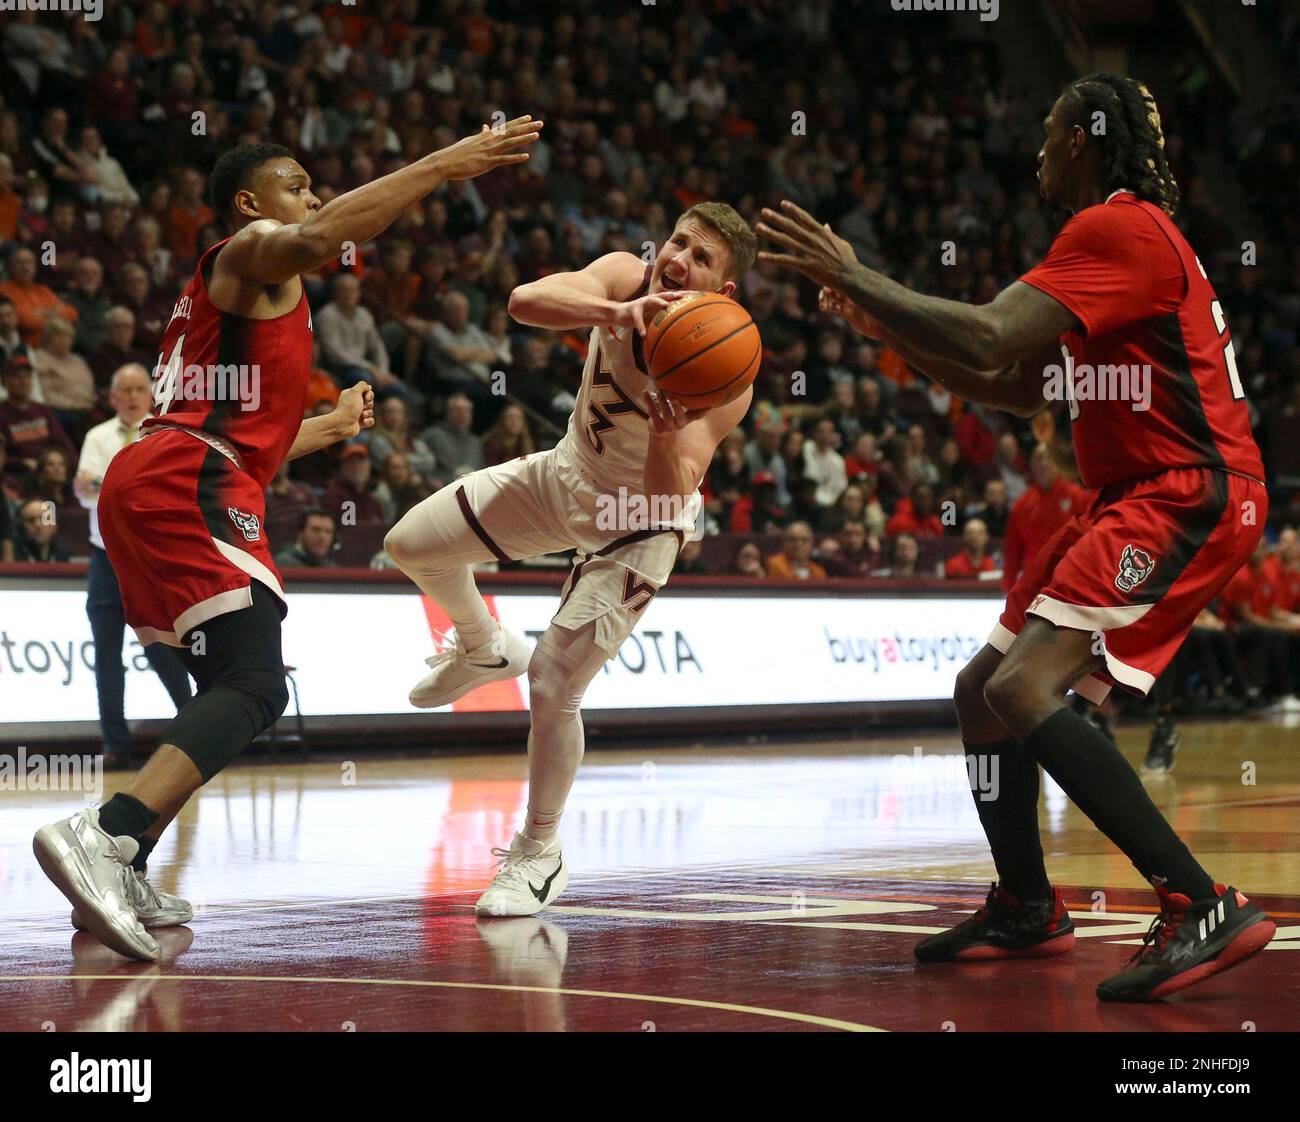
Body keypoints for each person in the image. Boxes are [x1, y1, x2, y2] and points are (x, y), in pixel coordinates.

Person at [762, 72, 1275, 999]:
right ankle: (1029, 906)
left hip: (1186, 489)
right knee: (981, 693)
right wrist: (878, 315)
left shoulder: (1115, 228)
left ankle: (1200, 900)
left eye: (1047, 129)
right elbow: (1008, 382)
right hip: (1134, 488)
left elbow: (992, 335)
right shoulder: (1113, 247)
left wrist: (854, 273)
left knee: (1024, 685)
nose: (1036, 148)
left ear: (1083, 133)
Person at [33, 118, 541, 962]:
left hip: (173, 475)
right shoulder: (251, 251)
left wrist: (324, 426)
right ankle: (106, 832)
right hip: (185, 480)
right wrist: (443, 164)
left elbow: (246, 443)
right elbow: (321, 233)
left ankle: (122, 865)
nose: (310, 194)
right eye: (294, 181)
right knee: (258, 684)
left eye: (312, 183)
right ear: (248, 203)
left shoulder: (245, 305)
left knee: (222, 693)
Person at [384, 200, 755, 917]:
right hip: (563, 475)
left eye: (701, 258)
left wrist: (661, 430)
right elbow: (525, 301)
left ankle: (539, 850)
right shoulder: (624, 275)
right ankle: (482, 644)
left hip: (638, 527)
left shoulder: (728, 372)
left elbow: (670, 488)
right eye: (678, 241)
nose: (678, 259)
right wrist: (616, 313)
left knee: (554, 683)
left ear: (725, 291)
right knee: (410, 546)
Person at [75, 364, 193, 769]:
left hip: (148, 560)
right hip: (105, 559)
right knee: (106, 655)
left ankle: (193, 731)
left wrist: (108, 485)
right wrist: (127, 486)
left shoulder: (164, 435)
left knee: (162, 647)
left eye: (139, 389)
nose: (131, 396)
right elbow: (81, 487)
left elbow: (164, 492)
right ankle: (115, 746)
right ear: (112, 397)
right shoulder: (98, 436)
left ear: (152, 395)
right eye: (124, 389)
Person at [274, 508, 338, 568]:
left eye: (328, 531)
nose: (322, 536)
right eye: (315, 530)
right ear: (300, 532)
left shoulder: (330, 566)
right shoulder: (283, 564)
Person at [13, 497, 68, 561]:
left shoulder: (66, 556)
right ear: (20, 526)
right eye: (31, 520)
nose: (38, 525)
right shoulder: (11, 556)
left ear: (55, 525)